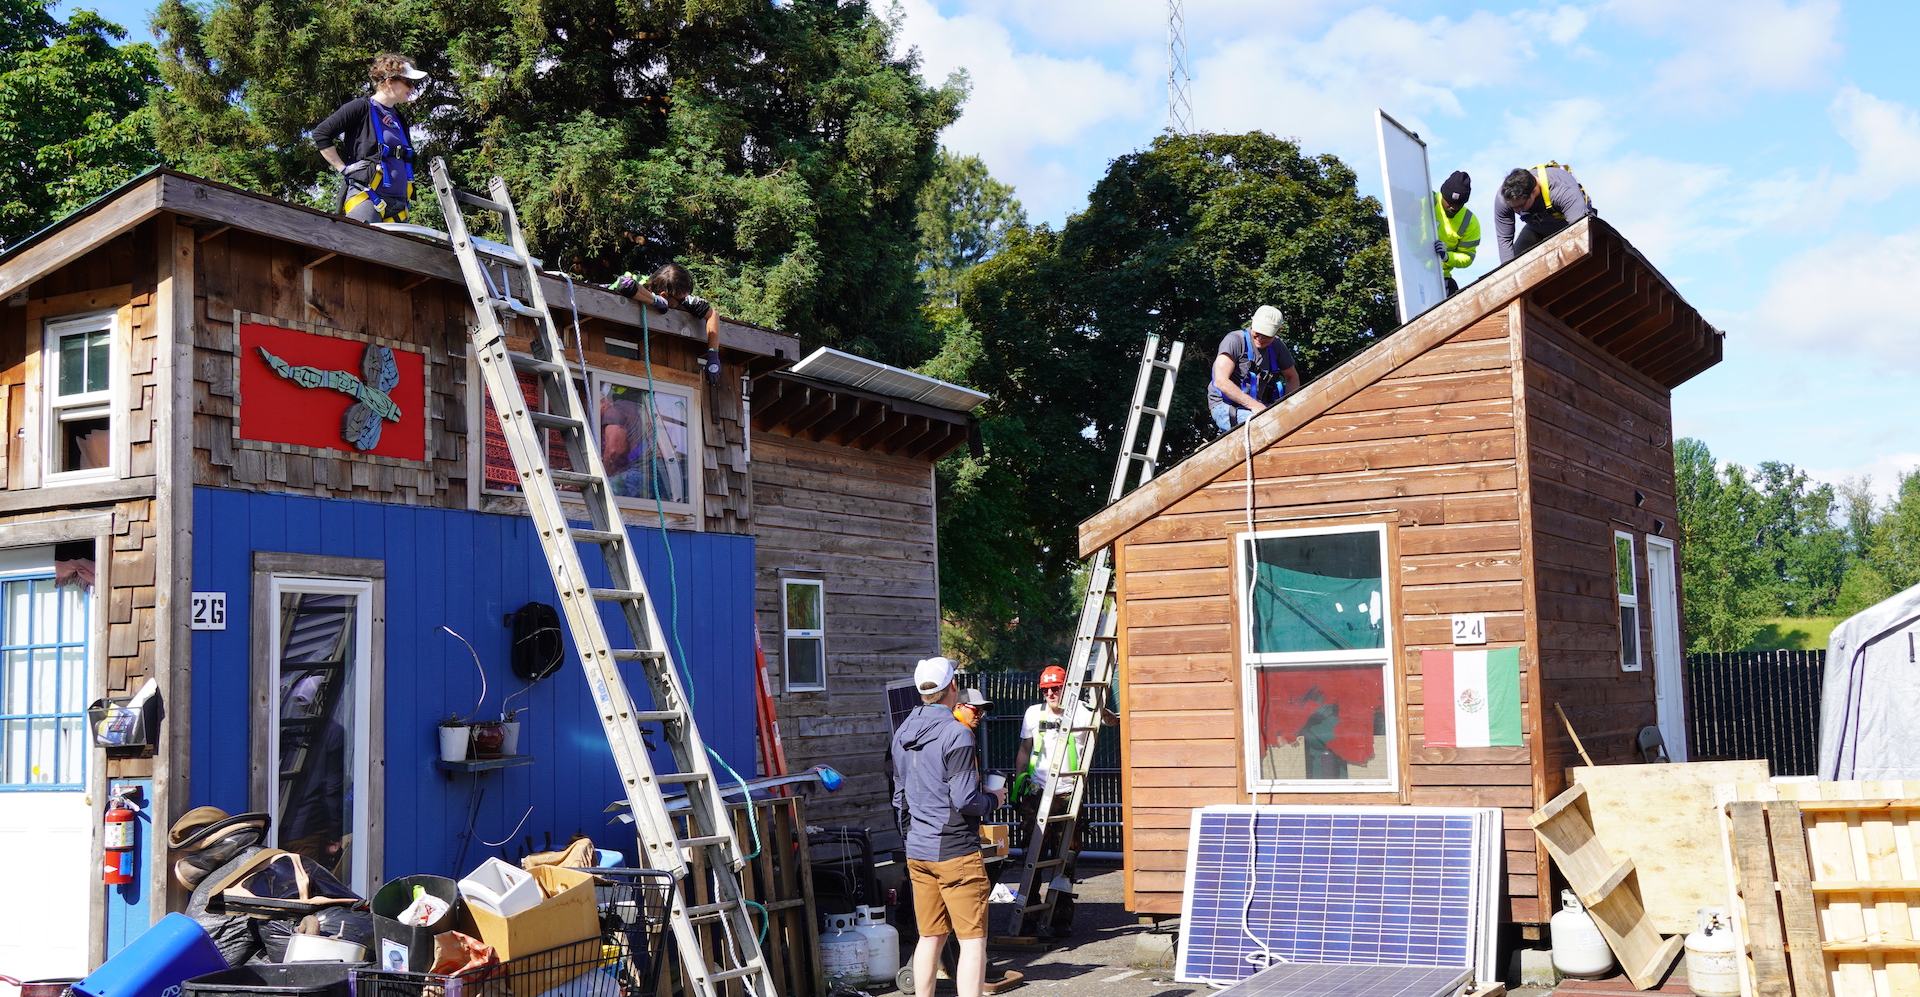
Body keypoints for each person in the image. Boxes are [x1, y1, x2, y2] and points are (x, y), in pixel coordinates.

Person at [892, 656, 1004, 997]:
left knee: (930, 936)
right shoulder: (957, 734)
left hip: (918, 850)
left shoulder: (902, 733)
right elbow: (966, 800)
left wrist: (911, 837)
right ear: (952, 687)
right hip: (955, 850)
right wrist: (994, 800)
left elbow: (899, 798)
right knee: (972, 941)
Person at [1009, 664, 1118, 937]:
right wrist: (1018, 782)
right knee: (1031, 856)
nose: (1050, 694)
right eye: (1046, 690)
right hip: (1037, 794)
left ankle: (1060, 918)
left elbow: (1112, 721)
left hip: (1069, 794)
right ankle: (1030, 914)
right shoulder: (1033, 713)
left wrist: (1101, 711)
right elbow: (1025, 748)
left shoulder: (1082, 710)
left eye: (1055, 688)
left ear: (1067, 688)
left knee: (1066, 861)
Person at [313, 53, 428, 224]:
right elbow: (321, 133)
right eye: (408, 82)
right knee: (361, 249)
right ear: (389, 81)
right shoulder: (361, 107)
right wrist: (343, 168)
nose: (412, 88)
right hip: (367, 196)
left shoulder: (399, 118)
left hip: (399, 204)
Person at [614, 263, 723, 387]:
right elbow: (624, 285)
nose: (685, 301)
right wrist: (654, 301)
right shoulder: (642, 282)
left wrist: (713, 355)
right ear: (664, 295)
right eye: (681, 300)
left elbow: (712, 315)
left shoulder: (684, 299)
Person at [1208, 304, 1301, 433]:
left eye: (1266, 335)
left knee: (1295, 423)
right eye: (1258, 333)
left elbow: (1292, 377)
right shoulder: (1234, 340)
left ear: (1278, 331)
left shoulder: (1278, 347)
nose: (1260, 338)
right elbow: (1221, 381)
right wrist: (1255, 406)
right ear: (1253, 322)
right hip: (1226, 406)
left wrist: (1286, 406)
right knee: (1266, 426)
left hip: (1260, 409)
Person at [1493, 163, 1592, 263]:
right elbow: (1504, 241)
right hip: (1538, 228)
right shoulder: (1503, 198)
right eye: (1513, 207)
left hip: (1574, 226)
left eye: (1521, 206)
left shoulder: (1562, 191)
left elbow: (1581, 236)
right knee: (1515, 265)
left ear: (1534, 191)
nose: (1517, 211)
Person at [1432, 170, 1480, 295]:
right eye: (1449, 202)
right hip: (1413, 269)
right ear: (1442, 195)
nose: (1453, 207)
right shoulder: (1428, 200)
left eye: (1457, 205)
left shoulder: (1469, 221)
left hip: (1441, 277)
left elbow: (1468, 256)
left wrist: (1447, 256)